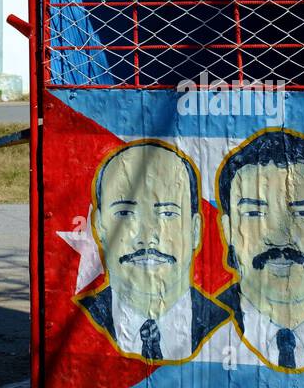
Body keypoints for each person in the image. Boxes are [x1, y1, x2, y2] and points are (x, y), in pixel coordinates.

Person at [216, 129, 304, 371]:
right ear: (229, 230)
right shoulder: (202, 330)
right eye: (254, 213)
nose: (279, 237)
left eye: (303, 212)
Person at [80, 140, 228, 362]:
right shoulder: (80, 319)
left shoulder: (225, 325)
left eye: (168, 213)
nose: (148, 236)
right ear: (99, 226)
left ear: (195, 230)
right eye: (125, 213)